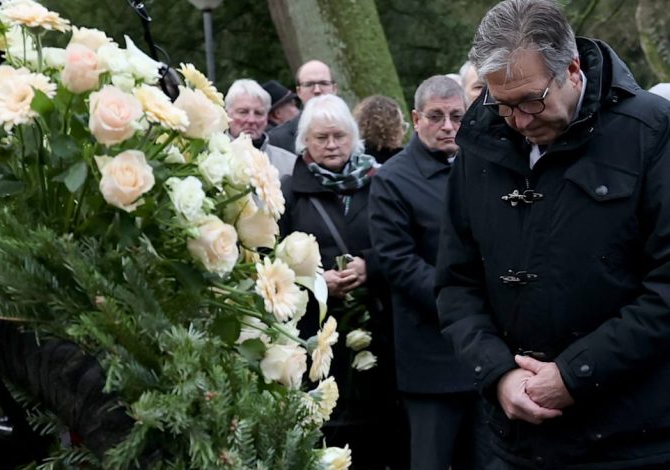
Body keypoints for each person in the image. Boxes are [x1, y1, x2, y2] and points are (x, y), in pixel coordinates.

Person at [435, 0, 670, 468]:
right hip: (514, 438)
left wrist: (575, 374)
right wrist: (499, 374)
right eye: (503, 105)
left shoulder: (650, 133)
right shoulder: (481, 144)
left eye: (530, 100)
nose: (519, 121)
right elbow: (456, 282)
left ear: (573, 69)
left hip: (631, 439)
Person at [369, 75, 477, 470]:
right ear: (416, 119)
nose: (447, 126)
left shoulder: (483, 167)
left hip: (488, 352)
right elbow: (397, 260)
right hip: (432, 354)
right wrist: (461, 305)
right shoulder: (393, 179)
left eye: (456, 116)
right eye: (436, 116)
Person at [278, 94, 391, 469]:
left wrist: (369, 267)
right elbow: (271, 264)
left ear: (354, 137)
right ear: (304, 142)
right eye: (321, 137)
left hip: (379, 329)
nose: (331, 145)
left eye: (339, 136)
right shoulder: (289, 192)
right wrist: (316, 281)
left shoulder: (382, 182)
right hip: (317, 336)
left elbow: (402, 246)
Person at [224, 79, 296, 179]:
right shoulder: (208, 161)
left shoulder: (289, 164)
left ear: (266, 118)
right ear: (227, 115)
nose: (251, 120)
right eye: (243, 112)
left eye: (258, 113)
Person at [268, 60, 338, 153]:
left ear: (334, 89)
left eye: (324, 83)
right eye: (309, 84)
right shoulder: (276, 140)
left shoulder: (356, 131)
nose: (317, 90)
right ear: (299, 92)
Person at [352, 95, 406, 164]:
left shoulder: (352, 159)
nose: (403, 133)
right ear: (395, 130)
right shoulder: (404, 161)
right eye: (402, 127)